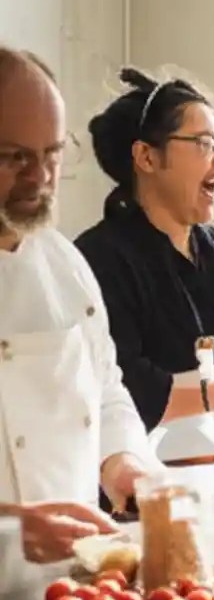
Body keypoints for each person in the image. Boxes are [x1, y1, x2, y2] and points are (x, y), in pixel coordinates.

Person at [74, 69, 214, 453]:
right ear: (146, 157)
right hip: (151, 482)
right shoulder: (99, 259)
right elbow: (123, 386)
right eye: (205, 143)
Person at [0, 47, 154, 565]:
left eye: (52, 153)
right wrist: (7, 530)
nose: (39, 177)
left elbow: (106, 389)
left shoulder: (65, 264)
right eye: (13, 157)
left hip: (73, 590)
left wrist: (124, 461)